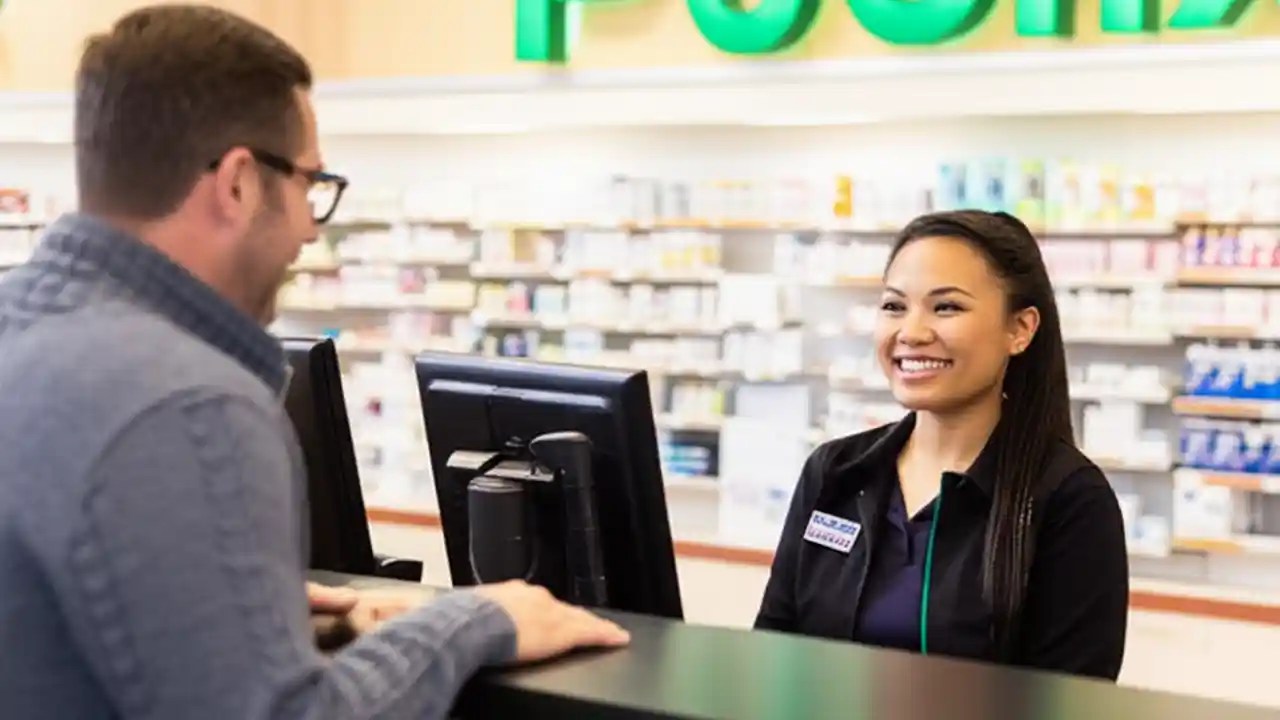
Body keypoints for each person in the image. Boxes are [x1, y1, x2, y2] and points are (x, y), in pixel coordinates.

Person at [0, 6, 628, 720]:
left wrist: (215, 603)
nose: (308, 226)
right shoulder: (188, 404)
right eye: (309, 183)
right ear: (237, 183)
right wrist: (469, 620)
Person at [754, 210, 1128, 680]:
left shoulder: (1068, 500)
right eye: (894, 306)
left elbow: (1075, 702)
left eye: (946, 307)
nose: (911, 332)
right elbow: (771, 655)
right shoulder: (836, 472)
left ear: (1020, 329)